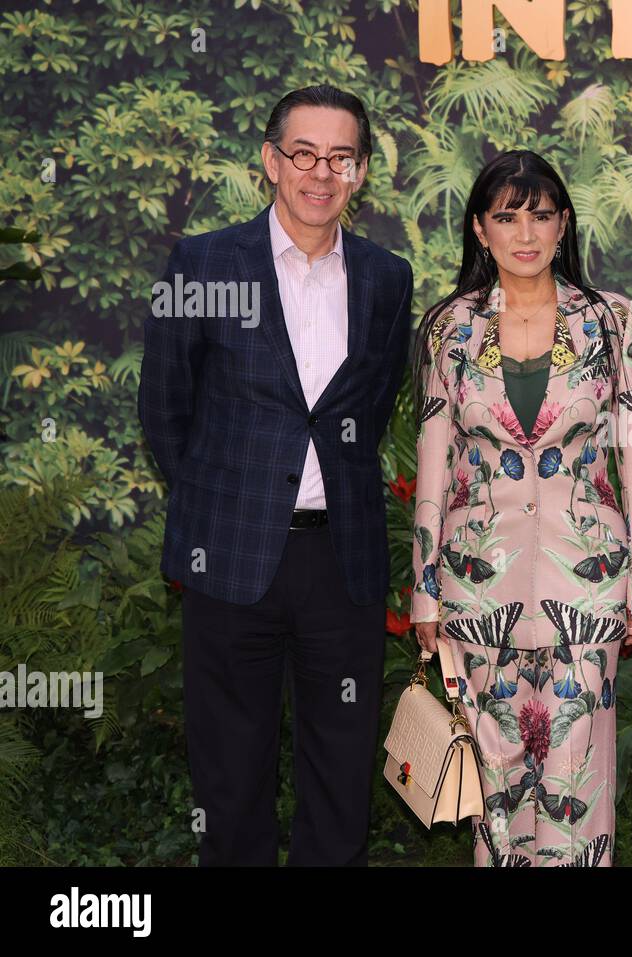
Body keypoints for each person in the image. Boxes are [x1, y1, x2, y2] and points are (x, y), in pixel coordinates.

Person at [138, 85, 413, 865]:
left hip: (343, 565)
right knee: (230, 783)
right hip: (230, 562)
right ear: (270, 161)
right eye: (303, 153)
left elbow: (374, 399)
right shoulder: (201, 261)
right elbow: (164, 407)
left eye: (341, 157)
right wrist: (219, 502)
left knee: (340, 787)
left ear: (361, 172)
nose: (320, 173)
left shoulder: (386, 278)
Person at [409, 150, 632, 867]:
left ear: (564, 225)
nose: (526, 233)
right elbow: (434, 457)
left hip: (587, 579)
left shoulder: (612, 320)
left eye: (542, 215)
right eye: (507, 216)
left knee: (578, 777)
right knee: (495, 782)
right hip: (475, 581)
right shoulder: (449, 328)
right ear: (479, 228)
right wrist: (423, 589)